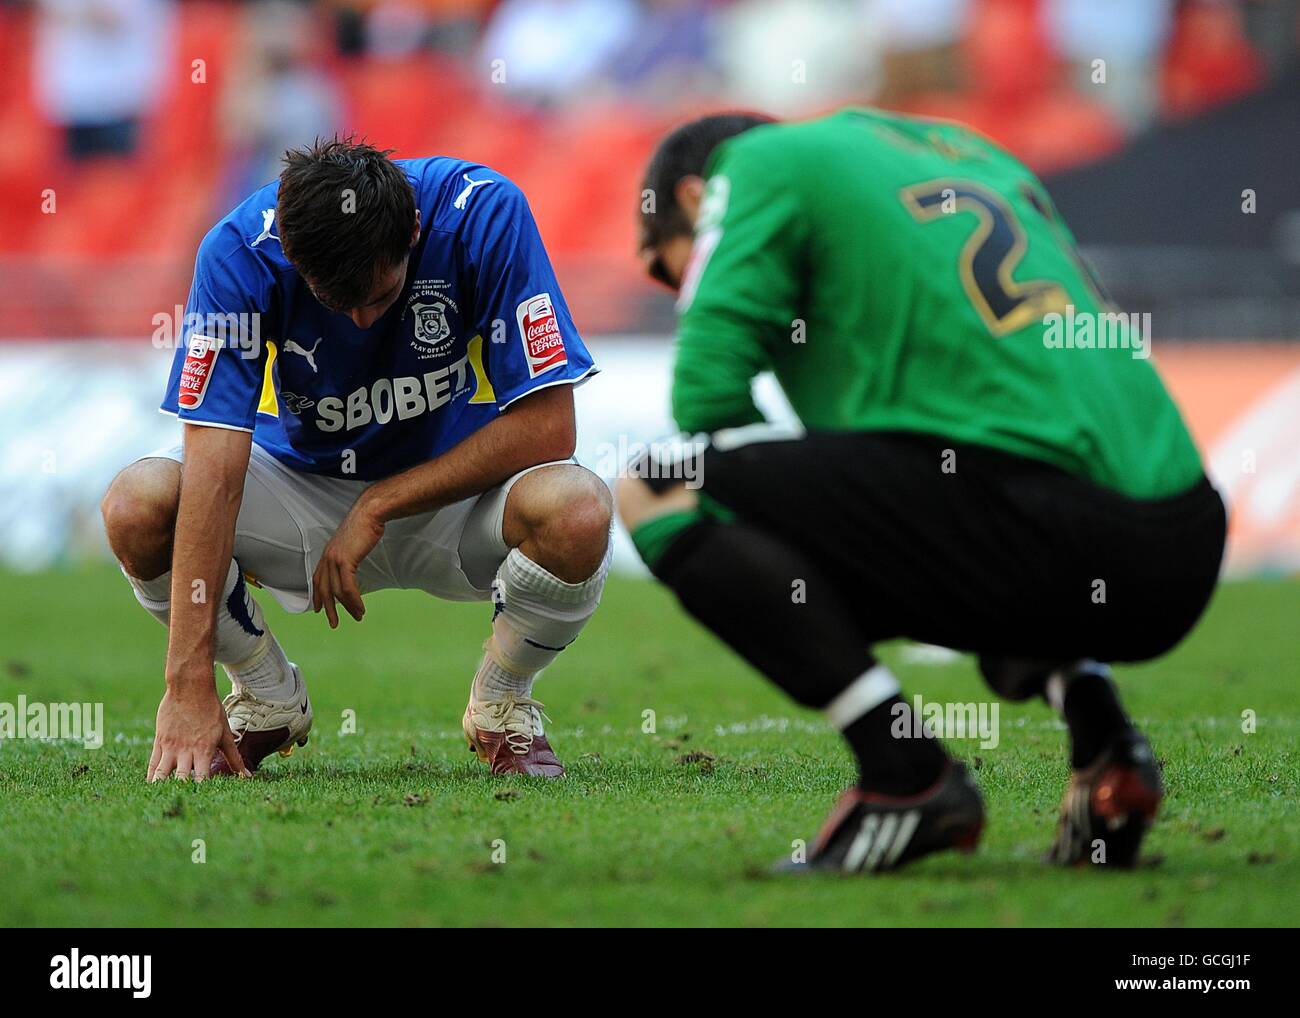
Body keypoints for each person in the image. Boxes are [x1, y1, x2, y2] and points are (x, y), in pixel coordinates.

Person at [617, 110, 1226, 872]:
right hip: (1184, 538)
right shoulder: (969, 148)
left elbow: (706, 398)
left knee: (659, 487)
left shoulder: (757, 164)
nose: (677, 288)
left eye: (663, 264)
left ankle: (906, 778)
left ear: (698, 198)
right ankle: (1107, 745)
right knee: (954, 490)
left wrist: (785, 549)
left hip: (1048, 523)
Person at [102, 138, 611, 781]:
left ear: (415, 232)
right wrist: (184, 685)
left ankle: (502, 702)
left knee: (580, 509)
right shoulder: (236, 253)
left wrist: (381, 502)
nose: (362, 322)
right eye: (336, 303)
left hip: (454, 498)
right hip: (300, 493)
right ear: (290, 253)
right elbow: (214, 472)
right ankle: (263, 695)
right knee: (137, 505)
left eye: (381, 296)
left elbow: (549, 427)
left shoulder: (484, 211)